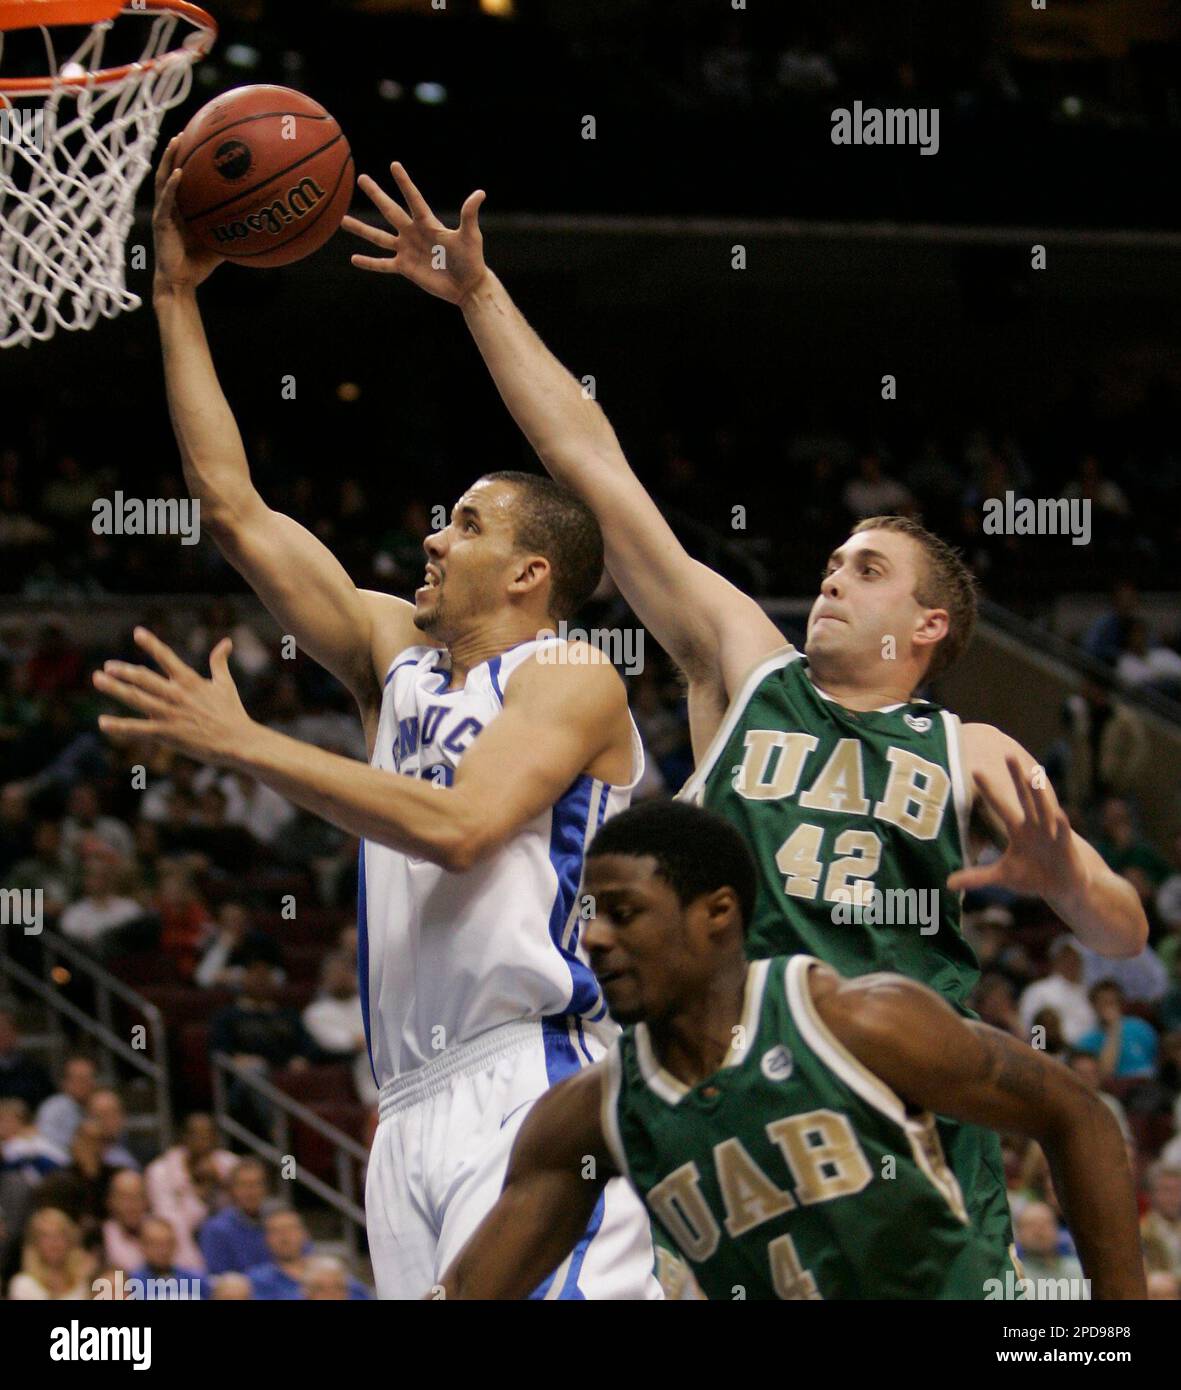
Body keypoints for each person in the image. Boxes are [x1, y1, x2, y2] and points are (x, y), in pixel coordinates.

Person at [356, 163, 1148, 1272]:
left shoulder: (966, 750)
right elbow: (590, 460)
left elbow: (1122, 931)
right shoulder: (746, 669)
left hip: (904, 1113)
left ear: (925, 627)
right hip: (726, 1111)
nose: (829, 577)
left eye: (864, 569)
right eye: (830, 560)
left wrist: (1061, 877)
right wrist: (480, 296)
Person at [90, 144, 662, 1303]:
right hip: (399, 1103)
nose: (433, 539)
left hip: (530, 1080)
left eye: (464, 525)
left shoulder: (569, 675)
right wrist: (176, 297)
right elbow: (232, 508)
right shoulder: (396, 659)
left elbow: (458, 829)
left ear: (529, 573)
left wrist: (241, 739)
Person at [439, 802, 1144, 1300]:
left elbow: (1076, 1115)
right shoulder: (588, 1118)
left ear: (716, 913)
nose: (594, 940)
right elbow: (468, 1290)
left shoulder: (855, 1021)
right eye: (591, 918)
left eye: (624, 914)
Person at [145, 1112, 236, 1270]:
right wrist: (197, 1195)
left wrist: (222, 1183)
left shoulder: (230, 1165)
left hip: (225, 1250)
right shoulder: (160, 1171)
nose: (203, 1142)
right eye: (196, 1135)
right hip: (182, 1256)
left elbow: (244, 1212)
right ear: (183, 1138)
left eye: (208, 1136)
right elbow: (169, 1221)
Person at [246, 1209, 370, 1300]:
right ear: (266, 1239)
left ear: (305, 1234)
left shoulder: (331, 1272)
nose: (284, 1237)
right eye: (276, 1231)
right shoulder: (255, 1281)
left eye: (290, 1229)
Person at [196, 1157, 273, 1276]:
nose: (251, 1192)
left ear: (266, 1189)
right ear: (232, 1190)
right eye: (244, 1185)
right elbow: (219, 1278)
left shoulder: (279, 1221)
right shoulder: (216, 1229)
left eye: (256, 1184)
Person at [1017, 937, 1097, 1046]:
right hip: (1050, 1054)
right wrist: (1041, 1050)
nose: (1070, 963)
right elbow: (1028, 1025)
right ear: (1056, 960)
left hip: (1085, 1055)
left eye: (1075, 958)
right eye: (1065, 957)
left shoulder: (1090, 993)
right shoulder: (1038, 990)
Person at [1075, 980, 1159, 1081]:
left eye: (1113, 1002)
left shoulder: (1140, 1027)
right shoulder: (1087, 1041)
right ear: (1094, 1006)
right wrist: (1114, 1028)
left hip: (1147, 1082)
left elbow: (1155, 1058)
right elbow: (1104, 1073)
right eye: (1104, 1003)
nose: (1110, 1007)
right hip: (1117, 1086)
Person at [7, 1207, 95, 1300]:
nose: (53, 1243)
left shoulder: (84, 1281)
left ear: (70, 1240)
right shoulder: (23, 1284)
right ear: (35, 1243)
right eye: (46, 1236)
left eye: (59, 1235)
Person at [1013, 1201, 1086, 1297]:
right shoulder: (1013, 1280)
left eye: (1045, 1223)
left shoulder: (1080, 1270)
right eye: (1030, 1225)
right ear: (1018, 1234)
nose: (1039, 1231)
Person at [35, 1055, 98, 1156]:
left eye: (89, 1078)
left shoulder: (101, 1104)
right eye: (80, 1079)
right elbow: (45, 1142)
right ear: (65, 1082)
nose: (86, 1083)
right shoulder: (53, 1108)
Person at [0, 1004, 53, 1111]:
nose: (2, 1035)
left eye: (5, 1030)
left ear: (16, 1034)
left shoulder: (35, 1070)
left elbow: (49, 1103)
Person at [1140, 1163, 1181, 1274]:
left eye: (1178, 1190)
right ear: (1151, 1194)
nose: (1173, 1197)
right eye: (1167, 1190)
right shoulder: (1143, 1231)